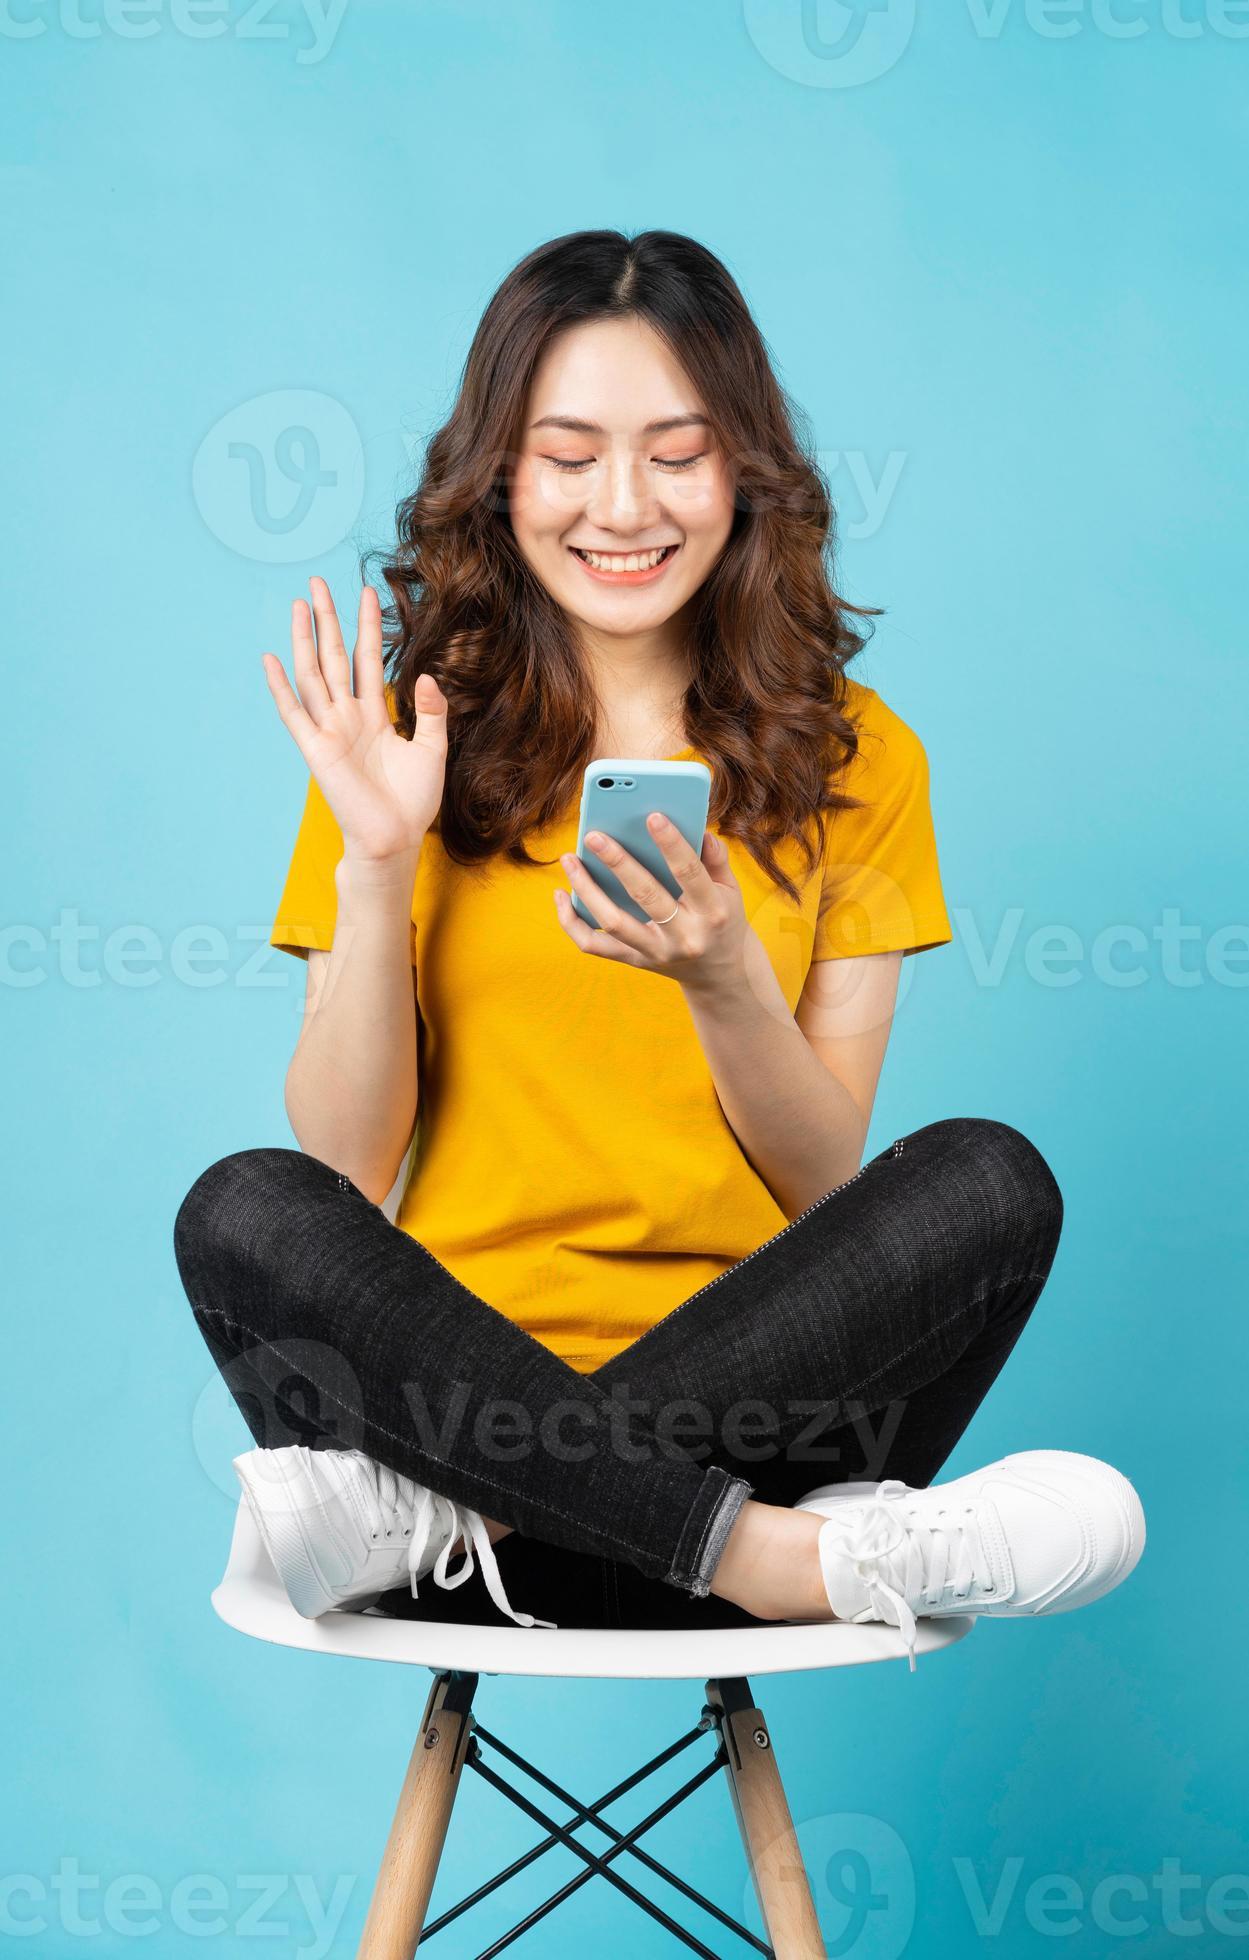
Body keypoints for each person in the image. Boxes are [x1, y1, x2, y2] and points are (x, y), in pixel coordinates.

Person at [173, 230, 1145, 1672]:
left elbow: (830, 1189)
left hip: (574, 1475)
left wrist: (722, 978)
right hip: (499, 1427)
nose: (621, 505)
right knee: (247, 1204)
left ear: (743, 472)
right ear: (499, 478)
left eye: (675, 452)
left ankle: (490, 1526)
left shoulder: (860, 760)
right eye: (566, 455)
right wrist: (379, 864)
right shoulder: (403, 743)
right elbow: (345, 1165)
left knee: (986, 1181)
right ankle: (758, 1555)